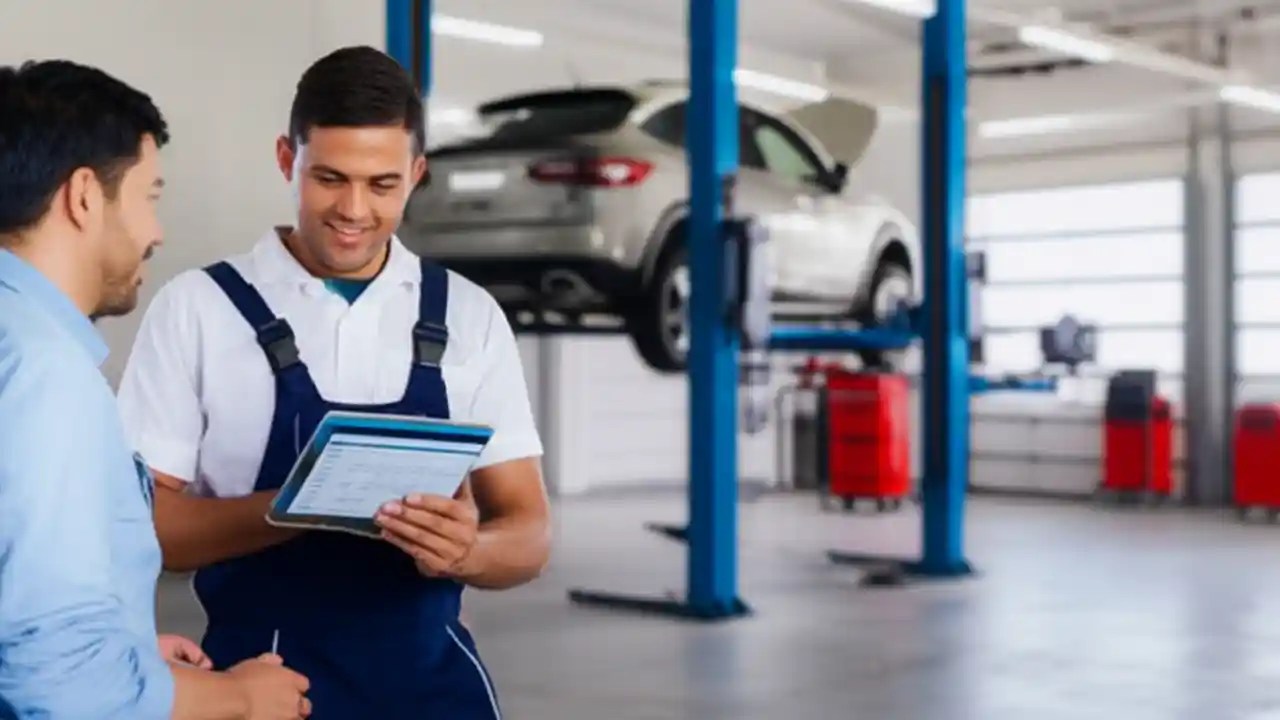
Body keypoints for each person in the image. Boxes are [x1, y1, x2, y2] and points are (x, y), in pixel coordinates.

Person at [116, 45, 551, 718]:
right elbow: (146, 530)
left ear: (416, 173)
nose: (353, 210)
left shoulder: (468, 314)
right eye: (329, 178)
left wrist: (468, 550)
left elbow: (528, 535)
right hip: (261, 690)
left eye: (382, 185)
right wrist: (295, 507)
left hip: (438, 693)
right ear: (287, 160)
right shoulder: (198, 308)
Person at [0, 59, 312, 719]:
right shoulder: (46, 376)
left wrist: (128, 649)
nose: (157, 232)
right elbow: (61, 691)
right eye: (150, 196)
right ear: (84, 196)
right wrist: (238, 698)